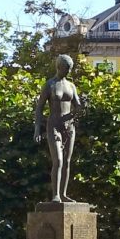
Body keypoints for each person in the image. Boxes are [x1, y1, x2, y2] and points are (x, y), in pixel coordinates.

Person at [34, 53, 83, 203]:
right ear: (59, 67)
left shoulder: (71, 86)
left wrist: (82, 106)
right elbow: (39, 107)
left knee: (67, 161)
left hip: (69, 126)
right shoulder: (50, 85)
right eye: (66, 68)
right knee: (58, 161)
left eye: (70, 69)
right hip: (54, 125)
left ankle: (63, 194)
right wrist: (37, 129)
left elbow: (78, 105)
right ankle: (55, 194)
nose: (68, 71)